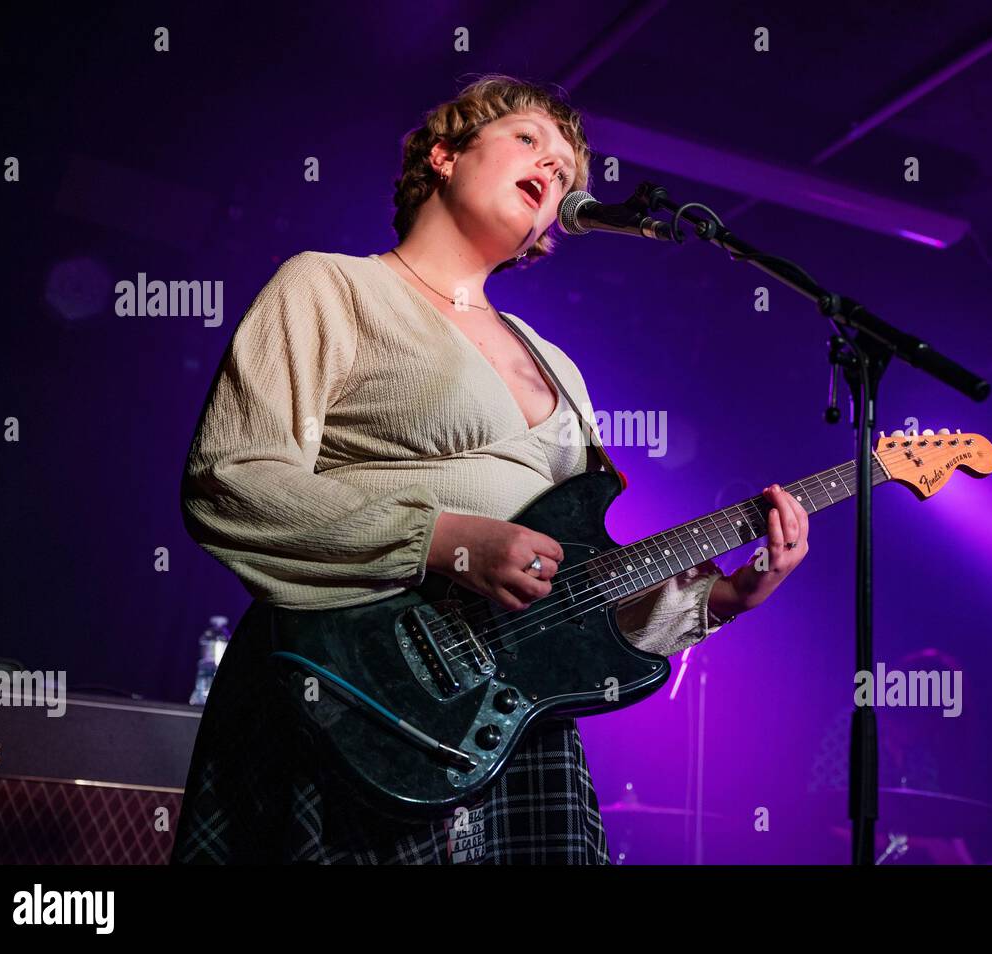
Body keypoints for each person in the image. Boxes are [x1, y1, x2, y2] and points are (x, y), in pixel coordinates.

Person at [171, 74, 809, 864]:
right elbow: (231, 479)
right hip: (353, 683)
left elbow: (577, 596)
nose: (553, 170)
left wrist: (723, 598)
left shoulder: (559, 366)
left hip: (504, 724)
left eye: (566, 175)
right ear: (443, 155)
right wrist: (444, 540)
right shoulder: (332, 286)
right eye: (528, 140)